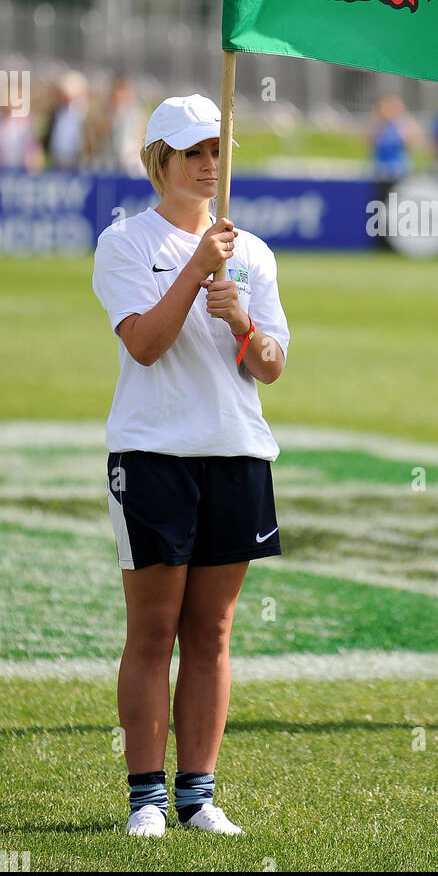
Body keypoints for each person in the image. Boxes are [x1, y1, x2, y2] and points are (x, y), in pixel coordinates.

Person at [92, 94, 290, 837]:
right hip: (152, 455)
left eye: (217, 151)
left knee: (210, 633)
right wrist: (196, 271)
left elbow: (268, 367)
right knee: (152, 631)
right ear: (160, 163)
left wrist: (241, 317)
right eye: (193, 152)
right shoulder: (124, 243)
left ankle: (198, 796)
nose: (209, 166)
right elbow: (144, 342)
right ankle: (146, 798)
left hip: (236, 452)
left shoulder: (256, 253)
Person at [369, 92, 421, 182]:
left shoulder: (401, 125)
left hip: (399, 171)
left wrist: (401, 114)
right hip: (381, 171)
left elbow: (413, 141)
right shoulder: (379, 126)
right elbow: (371, 141)